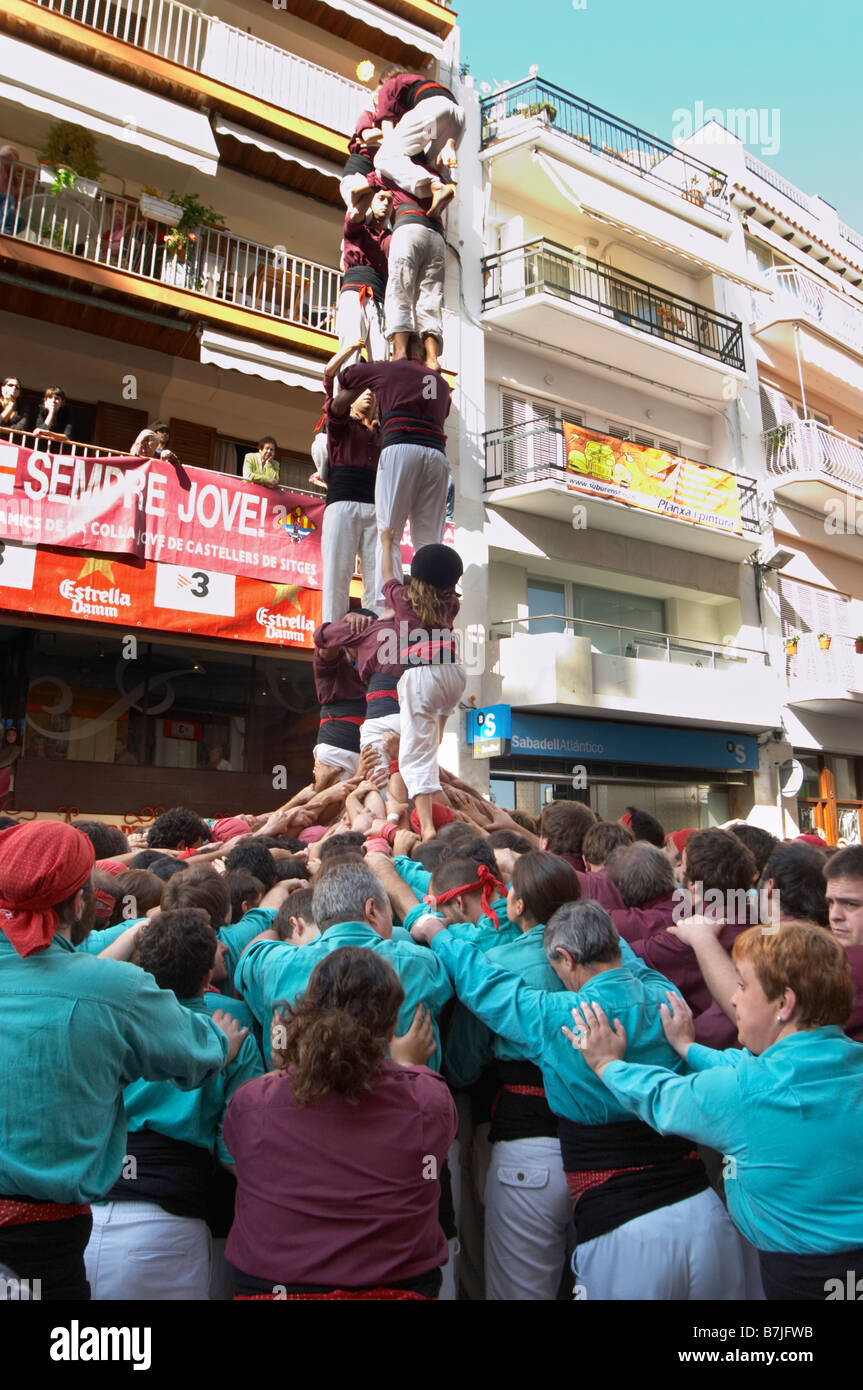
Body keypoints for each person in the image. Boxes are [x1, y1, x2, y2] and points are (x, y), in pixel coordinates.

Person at [412, 900, 747, 1299]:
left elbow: (485, 984)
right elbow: (633, 967)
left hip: (625, 1235)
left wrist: (436, 932)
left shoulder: (560, 1018)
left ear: (566, 959)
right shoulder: (665, 997)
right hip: (704, 1213)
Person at [0, 821, 246, 1299]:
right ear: (78, 903)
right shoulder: (117, 992)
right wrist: (220, 1041)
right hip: (46, 1245)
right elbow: (198, 1052)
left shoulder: (108, 987)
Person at [568, 921, 863, 1300]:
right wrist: (689, 1049)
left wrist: (607, 1064)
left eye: (742, 985)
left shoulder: (745, 1094)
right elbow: (745, 1071)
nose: (734, 999)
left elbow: (662, 1097)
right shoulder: (845, 1060)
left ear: (784, 1004)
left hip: (803, 1281)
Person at [224, 947, 457, 1298]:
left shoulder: (253, 1102)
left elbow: (245, 1155)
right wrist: (409, 1065)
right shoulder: (429, 1099)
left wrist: (282, 1067)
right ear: (393, 1026)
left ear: (308, 1012)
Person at [84, 910, 263, 1300]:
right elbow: (235, 1155)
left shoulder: (102, 1022)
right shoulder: (235, 1034)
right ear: (205, 979)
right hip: (171, 1225)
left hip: (85, 1219)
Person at [446, 852, 582, 1300]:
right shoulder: (613, 955)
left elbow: (463, 1063)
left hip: (528, 1153)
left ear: (518, 906)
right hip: (605, 1150)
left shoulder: (492, 965)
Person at [336, 337, 451, 602]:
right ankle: (429, 602)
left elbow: (346, 377)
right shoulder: (440, 383)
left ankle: (387, 602)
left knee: (389, 533)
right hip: (436, 455)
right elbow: (438, 409)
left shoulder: (391, 369)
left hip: (401, 446)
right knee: (430, 540)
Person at [380, 541, 466, 841]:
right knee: (429, 741)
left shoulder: (403, 599)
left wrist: (386, 542)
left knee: (413, 758)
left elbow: (388, 575)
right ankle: (440, 728)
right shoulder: (452, 604)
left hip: (423, 674)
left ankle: (427, 828)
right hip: (453, 672)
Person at [320, 384, 381, 622]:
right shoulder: (340, 425)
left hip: (376, 506)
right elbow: (335, 407)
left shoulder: (383, 432)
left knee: (378, 578)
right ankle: (331, 634)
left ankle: (377, 636)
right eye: (360, 391)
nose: (366, 394)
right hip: (343, 501)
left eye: (371, 391)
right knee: (337, 573)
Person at [373, 67, 464, 216]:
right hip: (455, 114)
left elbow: (387, 127)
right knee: (429, 162)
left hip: (432, 108)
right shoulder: (419, 80)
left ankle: (435, 185)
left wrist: (388, 146)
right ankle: (445, 150)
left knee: (383, 158)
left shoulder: (390, 85)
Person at [337, 189, 392, 365]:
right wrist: (374, 183)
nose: (386, 204)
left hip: (379, 299)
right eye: (381, 198)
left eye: (390, 201)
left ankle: (379, 393)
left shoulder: (391, 238)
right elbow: (356, 213)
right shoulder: (356, 229)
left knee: (381, 360)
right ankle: (344, 391)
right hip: (355, 293)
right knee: (350, 351)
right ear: (371, 201)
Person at [0, 726, 21, 798]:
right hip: (2, 773)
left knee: (7, 793)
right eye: (9, 735)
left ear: (17, 737)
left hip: (9, 774)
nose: (11, 737)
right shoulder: (5, 748)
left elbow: (10, 760)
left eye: (13, 735)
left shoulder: (16, 748)